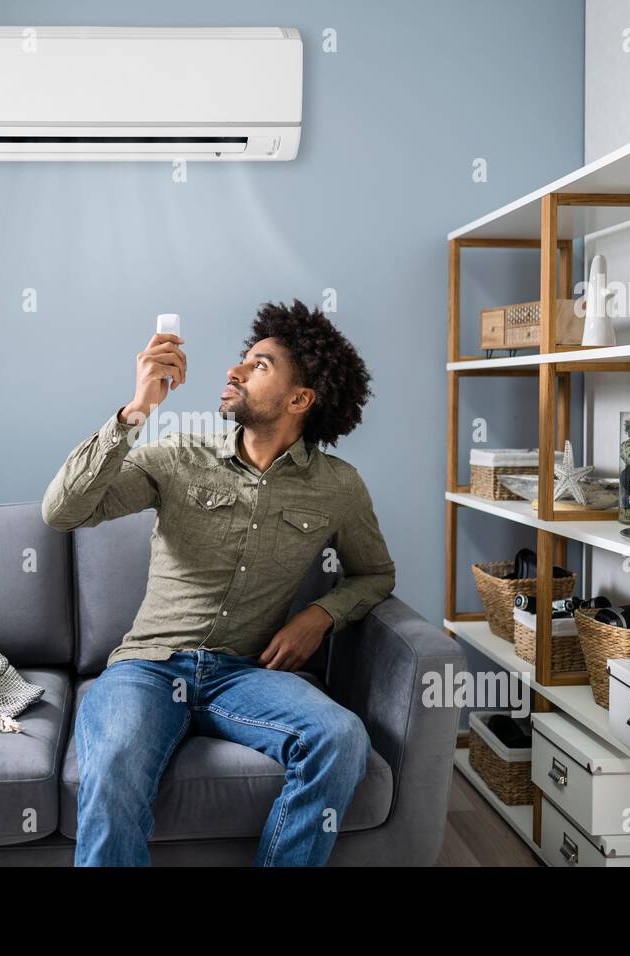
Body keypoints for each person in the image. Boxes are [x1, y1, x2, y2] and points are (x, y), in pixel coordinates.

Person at [41, 299, 396, 866]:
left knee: (341, 737)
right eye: (242, 360)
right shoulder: (178, 456)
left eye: (258, 366)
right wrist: (135, 411)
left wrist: (321, 614)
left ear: (300, 399)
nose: (233, 372)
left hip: (244, 676)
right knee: (114, 761)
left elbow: (374, 573)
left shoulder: (339, 487)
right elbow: (62, 512)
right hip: (149, 667)